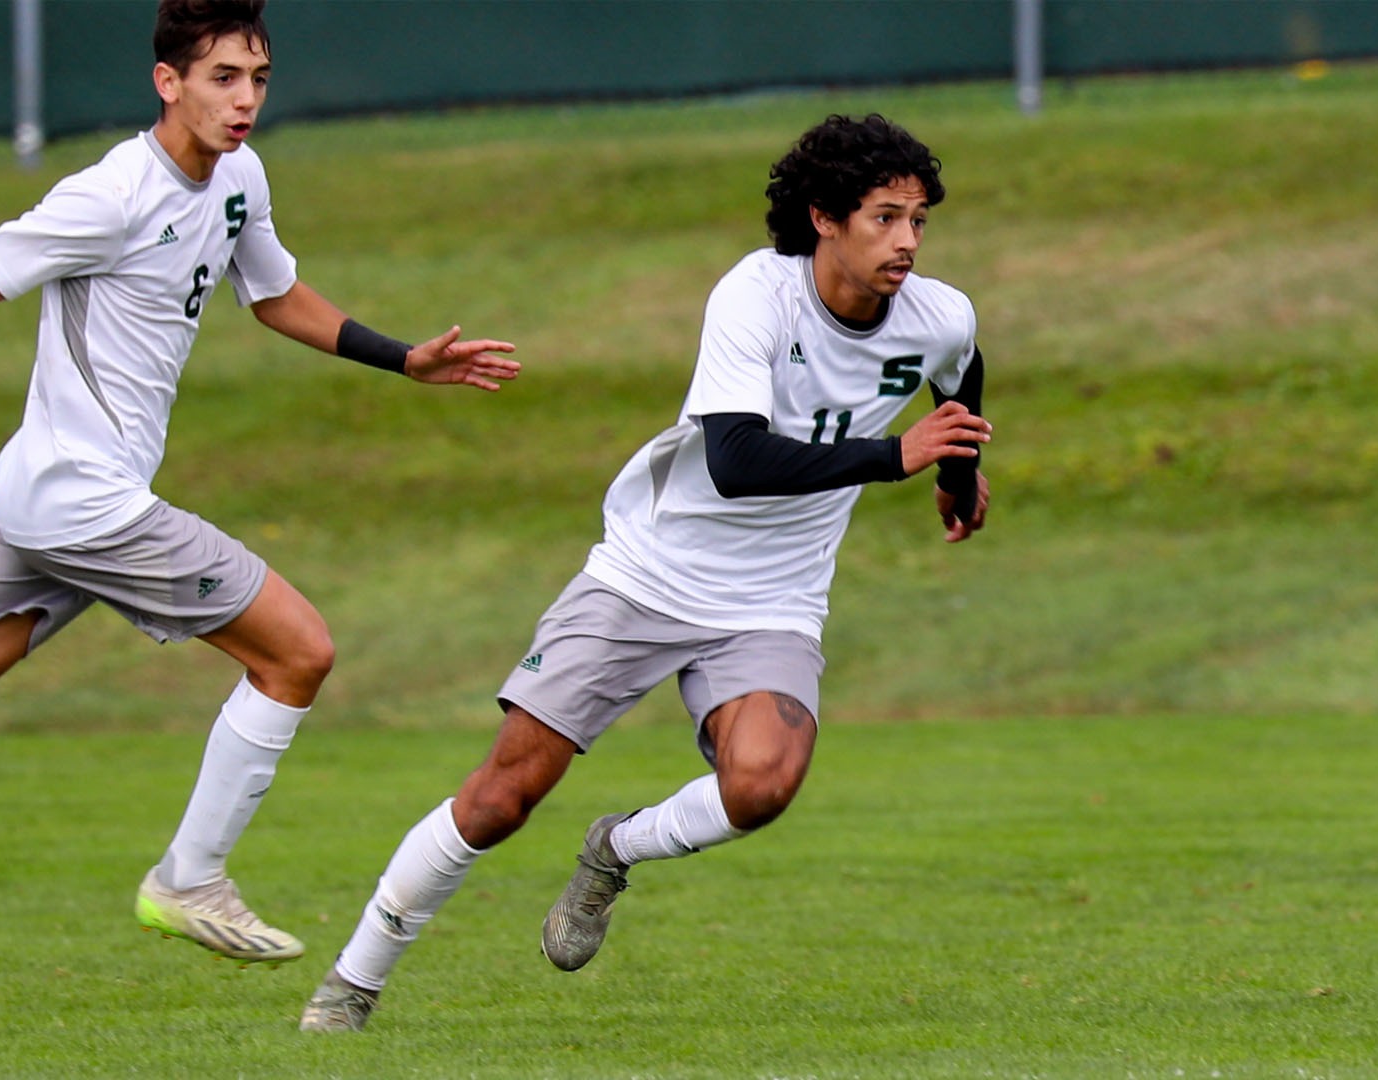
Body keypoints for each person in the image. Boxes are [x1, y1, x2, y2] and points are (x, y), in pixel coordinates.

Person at [300, 112, 992, 1032]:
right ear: (824, 218)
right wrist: (895, 456)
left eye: (919, 220)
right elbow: (738, 460)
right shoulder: (757, 296)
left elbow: (960, 370)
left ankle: (614, 849)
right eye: (884, 217)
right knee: (504, 795)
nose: (906, 241)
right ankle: (350, 986)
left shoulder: (940, 312)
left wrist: (957, 473)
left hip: (773, 601)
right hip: (648, 574)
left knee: (764, 784)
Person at [0, 0, 518, 968]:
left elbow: (273, 295)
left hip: (43, 507)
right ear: (167, 82)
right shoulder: (112, 193)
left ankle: (188, 876)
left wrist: (404, 361)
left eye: (259, 80)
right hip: (83, 503)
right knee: (297, 652)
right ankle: (189, 879)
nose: (246, 102)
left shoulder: (238, 179)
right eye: (224, 78)